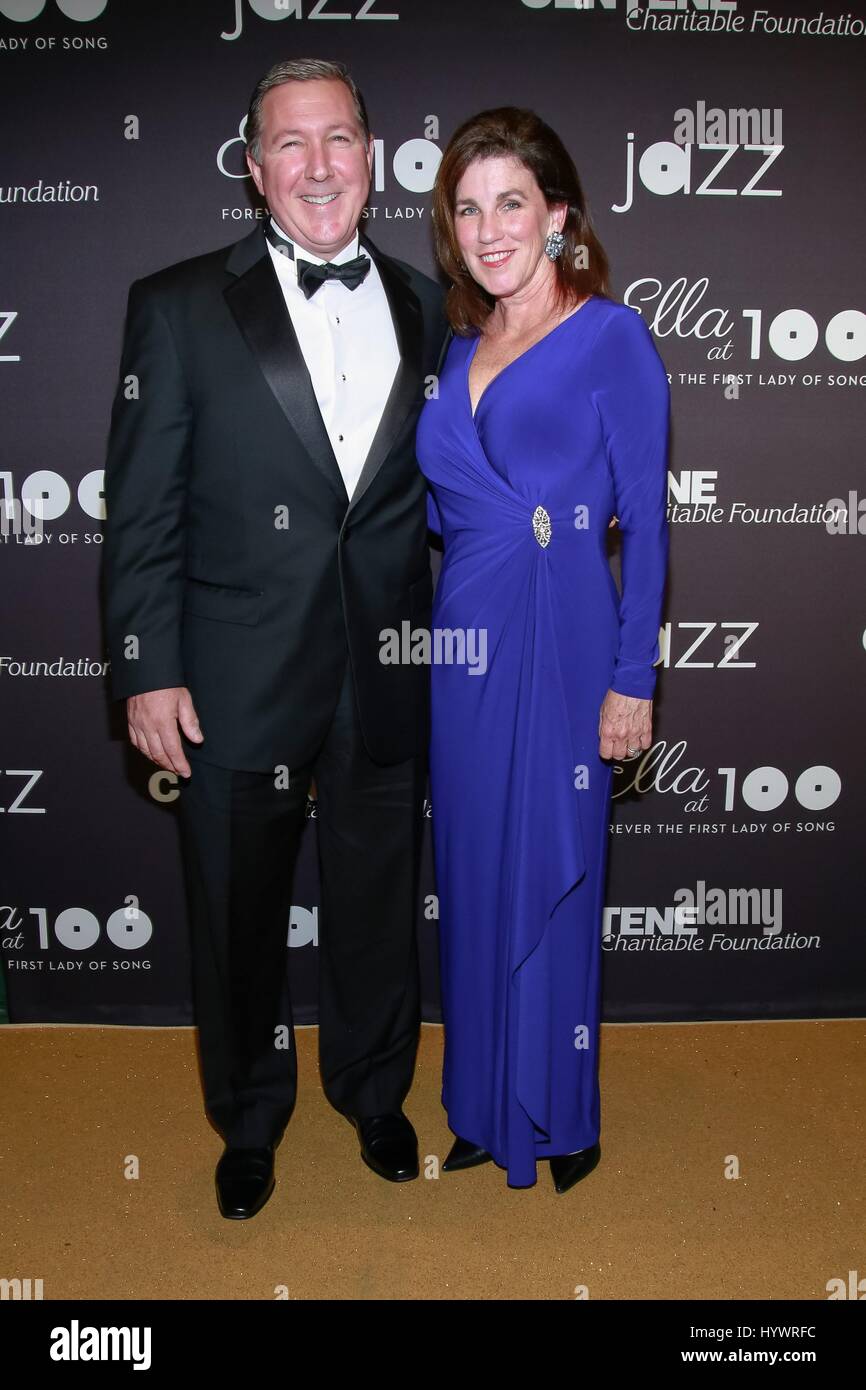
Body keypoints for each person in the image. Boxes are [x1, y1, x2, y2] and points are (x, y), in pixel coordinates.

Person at [101, 58, 449, 1219]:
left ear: (374, 155)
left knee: (375, 901)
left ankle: (373, 1090)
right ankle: (248, 1116)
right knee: (237, 913)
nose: (316, 164)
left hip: (385, 669)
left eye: (337, 138)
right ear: (253, 170)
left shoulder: (426, 303)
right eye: (288, 144)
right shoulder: (178, 301)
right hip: (235, 674)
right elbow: (143, 506)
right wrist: (147, 670)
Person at [417, 107, 670, 1191]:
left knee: (556, 878)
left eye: (509, 201)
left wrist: (631, 680)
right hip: (465, 646)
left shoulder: (611, 337)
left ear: (556, 213)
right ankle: (479, 1104)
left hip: (565, 638)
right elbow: (444, 514)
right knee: (473, 874)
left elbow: (648, 528)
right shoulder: (454, 347)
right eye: (466, 208)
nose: (487, 228)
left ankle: (558, 1111)